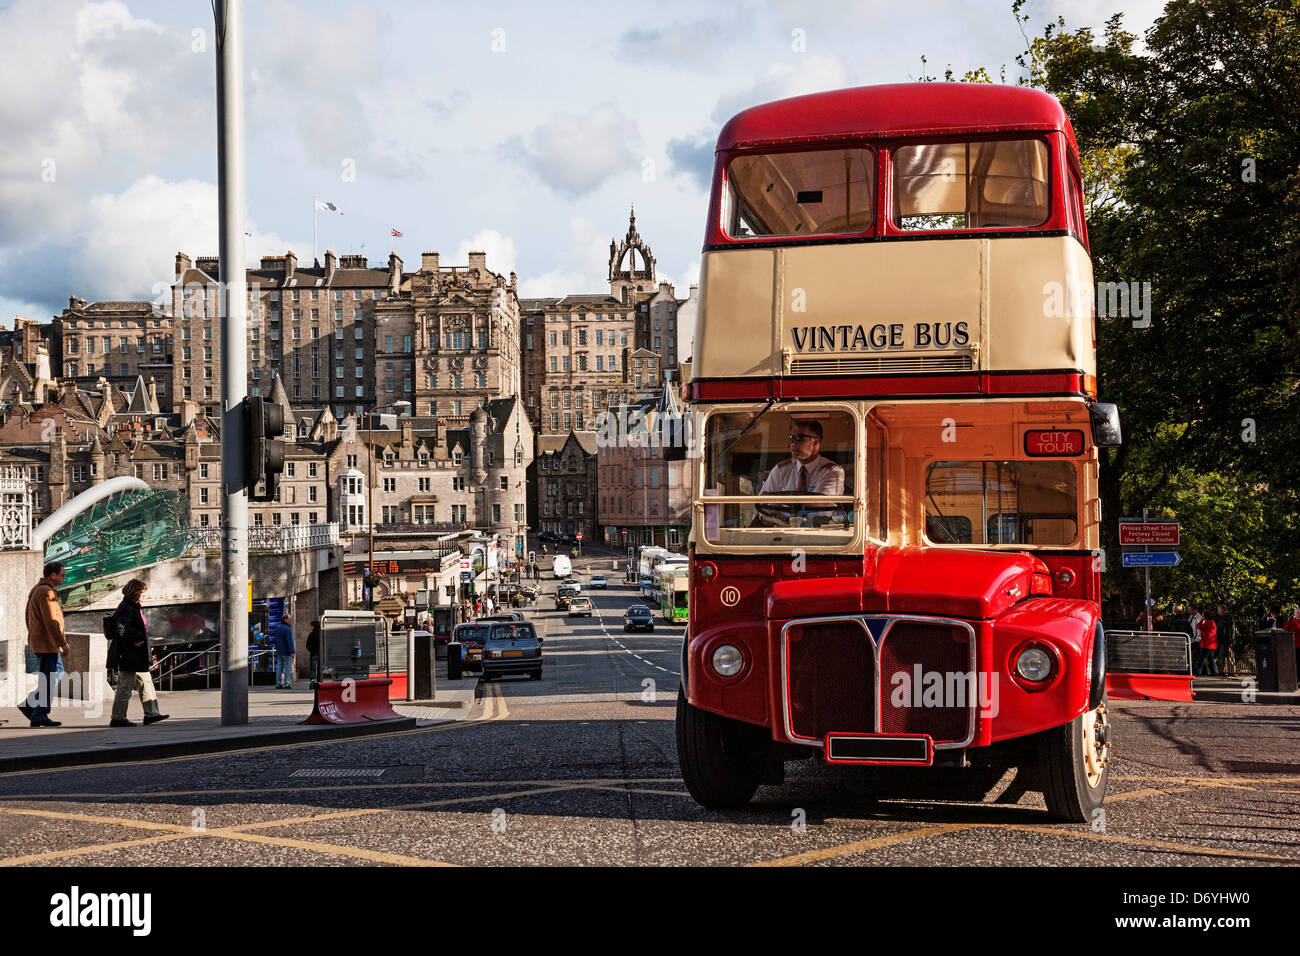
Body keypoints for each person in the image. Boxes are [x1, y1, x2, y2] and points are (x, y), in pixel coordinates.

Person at [108, 578, 168, 727]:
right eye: (142, 592)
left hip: (136, 655)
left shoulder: (133, 606)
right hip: (129, 654)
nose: (143, 595)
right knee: (125, 687)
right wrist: (134, 639)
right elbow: (121, 628)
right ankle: (118, 718)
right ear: (134, 592)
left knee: (146, 683)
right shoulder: (126, 607)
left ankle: (151, 714)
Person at [22, 562, 70, 728]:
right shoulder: (45, 591)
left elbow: (29, 617)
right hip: (48, 643)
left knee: (55, 674)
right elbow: (51, 620)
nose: (65, 578)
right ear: (53, 575)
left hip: (43, 641)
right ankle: (38, 713)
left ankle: (32, 706)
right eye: (62, 575)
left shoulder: (38, 589)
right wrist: (62, 643)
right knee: (50, 677)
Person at [759, 419, 845, 496]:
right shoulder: (781, 470)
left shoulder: (832, 471)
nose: (792, 443)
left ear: (815, 442)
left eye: (799, 437)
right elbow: (762, 502)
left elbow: (818, 503)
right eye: (791, 437)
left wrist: (774, 497)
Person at [271, 613, 296, 689]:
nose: (291, 621)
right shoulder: (287, 629)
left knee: (279, 668)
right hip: (286, 652)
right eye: (289, 619)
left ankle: (278, 684)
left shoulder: (277, 627)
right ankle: (287, 684)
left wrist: (277, 648)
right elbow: (290, 641)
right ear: (285, 619)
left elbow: (275, 640)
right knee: (287, 668)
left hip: (279, 651)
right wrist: (292, 651)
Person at [1215, 603, 1235, 674]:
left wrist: (1229, 639)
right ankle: (1224, 671)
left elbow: (1229, 630)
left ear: (1222, 610)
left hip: (1226, 640)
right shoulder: (1223, 618)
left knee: (1227, 656)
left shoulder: (1227, 617)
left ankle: (1230, 671)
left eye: (1218, 609)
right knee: (1223, 656)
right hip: (1223, 640)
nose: (1218, 611)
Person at [1283, 607, 1300, 683]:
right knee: (1295, 663)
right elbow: (1285, 629)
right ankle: (1295, 679)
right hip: (1294, 646)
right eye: (1297, 612)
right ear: (1294, 613)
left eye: (1299, 612)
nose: (1298, 614)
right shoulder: (1291, 621)